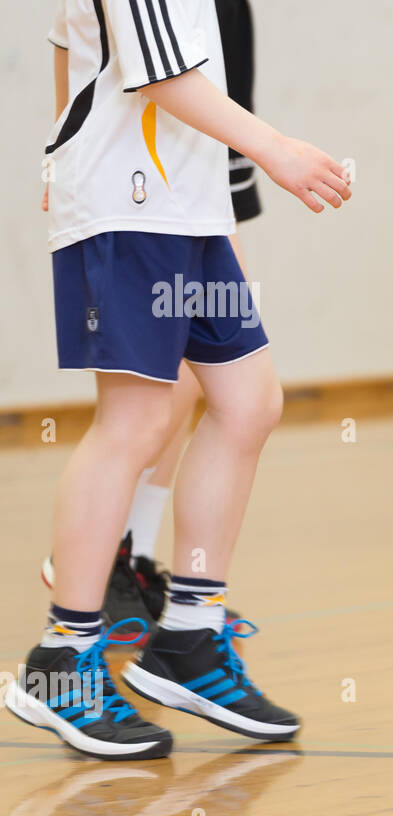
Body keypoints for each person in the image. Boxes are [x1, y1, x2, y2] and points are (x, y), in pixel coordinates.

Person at [7, 0, 351, 760]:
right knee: (135, 425)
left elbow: (69, 44)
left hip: (189, 206)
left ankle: (190, 638)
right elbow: (160, 73)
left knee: (249, 401)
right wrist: (276, 149)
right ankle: (62, 660)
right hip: (128, 202)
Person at [39, 0, 262, 636]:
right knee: (144, 410)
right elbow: (147, 67)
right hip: (138, 183)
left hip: (197, 168)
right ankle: (82, 609)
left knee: (245, 397)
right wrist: (277, 149)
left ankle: (177, 615)